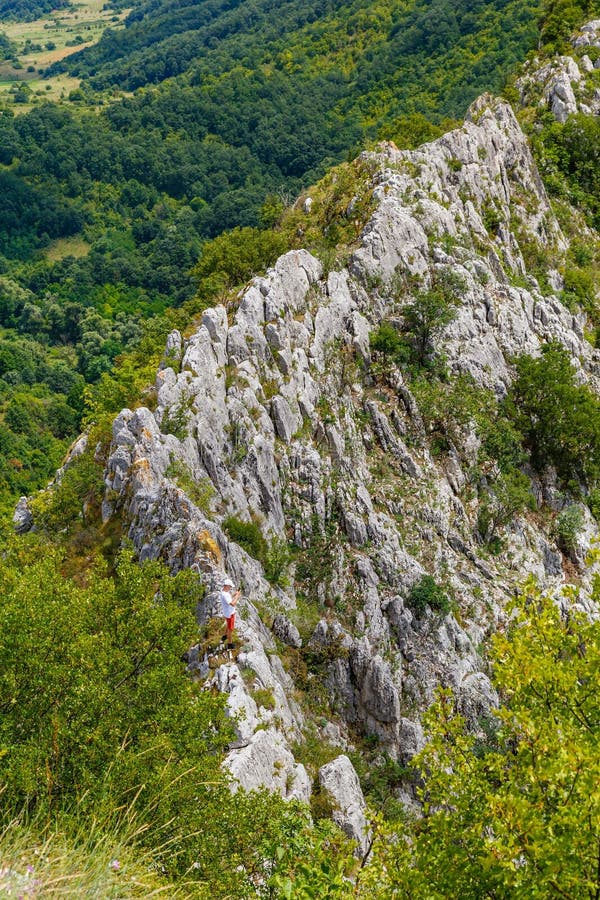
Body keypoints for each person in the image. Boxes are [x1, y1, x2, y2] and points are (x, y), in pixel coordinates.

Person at [220, 576, 240, 648]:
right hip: (230, 613)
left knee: (228, 625)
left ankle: (224, 636)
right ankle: (230, 644)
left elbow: (228, 598)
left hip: (227, 613)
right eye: (230, 586)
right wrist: (237, 596)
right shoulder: (225, 594)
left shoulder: (223, 592)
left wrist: (234, 594)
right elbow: (233, 604)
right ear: (227, 586)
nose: (230, 588)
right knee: (230, 629)